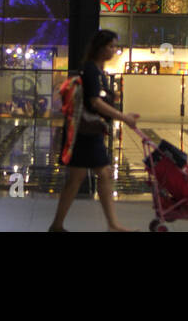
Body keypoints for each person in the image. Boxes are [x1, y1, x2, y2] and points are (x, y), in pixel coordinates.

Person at [49, 30, 140, 232]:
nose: (113, 50)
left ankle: (60, 225)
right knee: (89, 176)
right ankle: (109, 225)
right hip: (84, 134)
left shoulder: (97, 71)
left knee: (88, 177)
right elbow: (95, 102)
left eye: (115, 46)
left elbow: (98, 100)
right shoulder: (91, 70)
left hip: (88, 132)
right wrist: (123, 117)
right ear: (99, 48)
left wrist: (114, 101)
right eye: (110, 46)